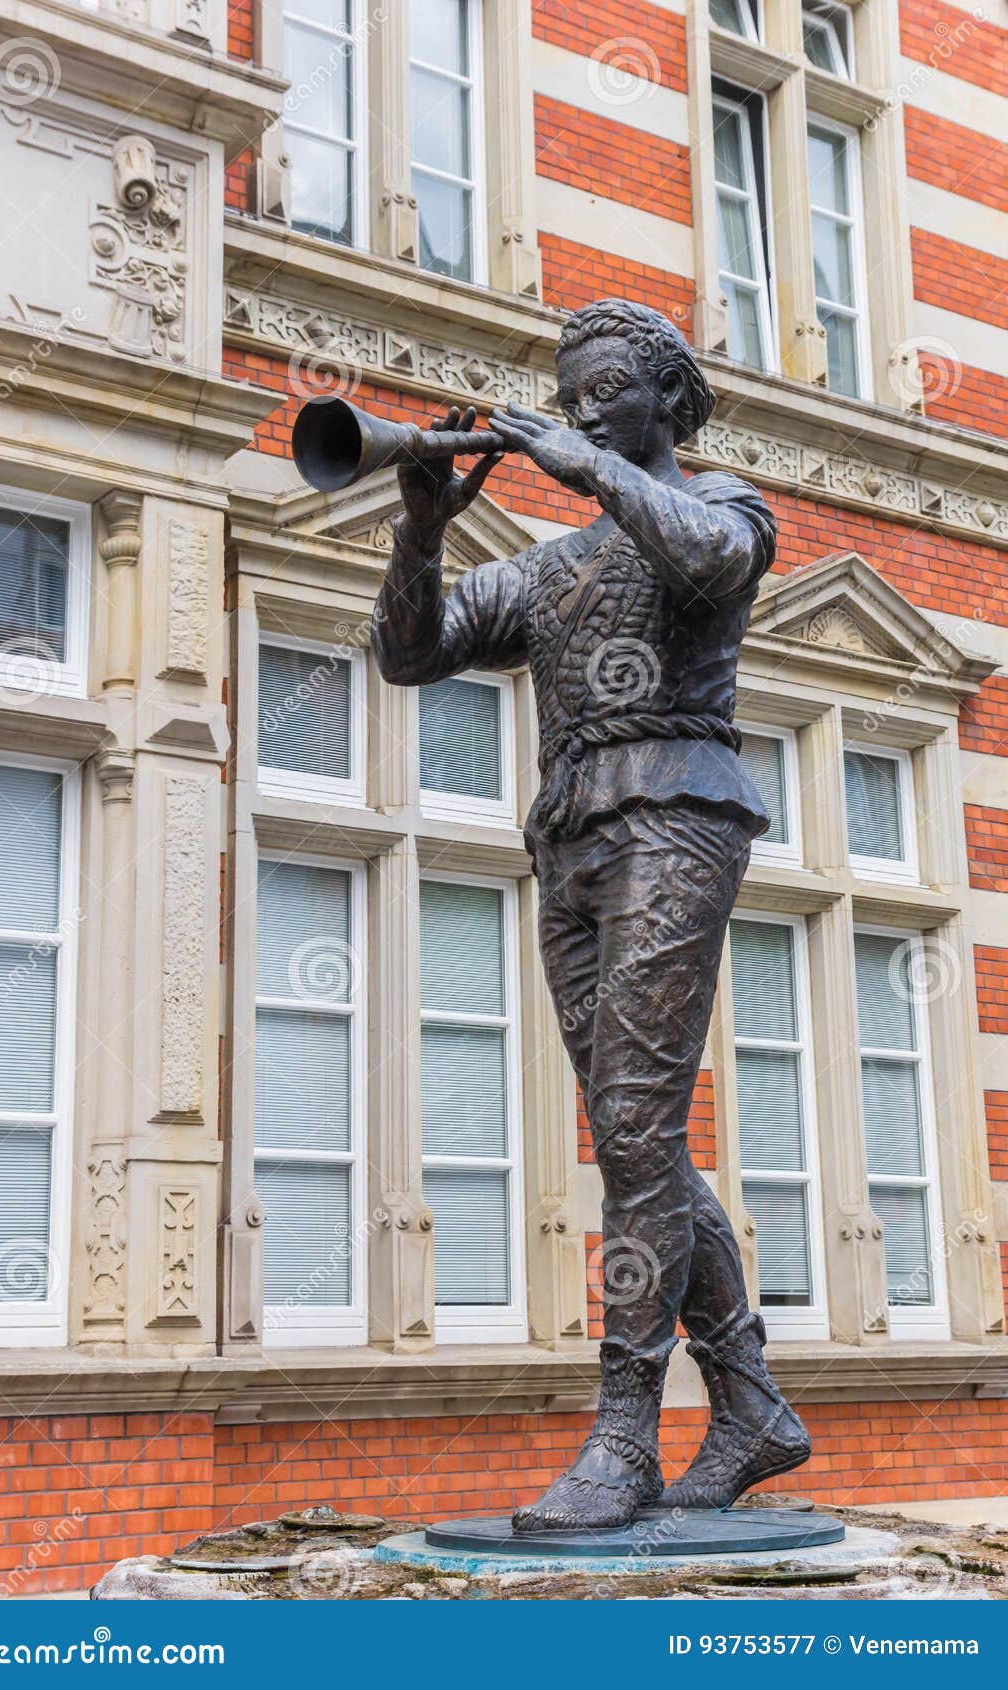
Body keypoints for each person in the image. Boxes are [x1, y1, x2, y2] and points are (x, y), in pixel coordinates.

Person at [371, 299, 811, 1532]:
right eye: (568, 388)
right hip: (567, 838)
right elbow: (409, 654)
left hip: (677, 811)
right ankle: (750, 1405)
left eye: (604, 384)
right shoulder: (547, 568)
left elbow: (712, 565)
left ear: (666, 399)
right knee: (639, 1135)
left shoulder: (724, 506)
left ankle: (625, 1432)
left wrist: (593, 468)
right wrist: (417, 530)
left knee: (628, 1122)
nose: (575, 404)